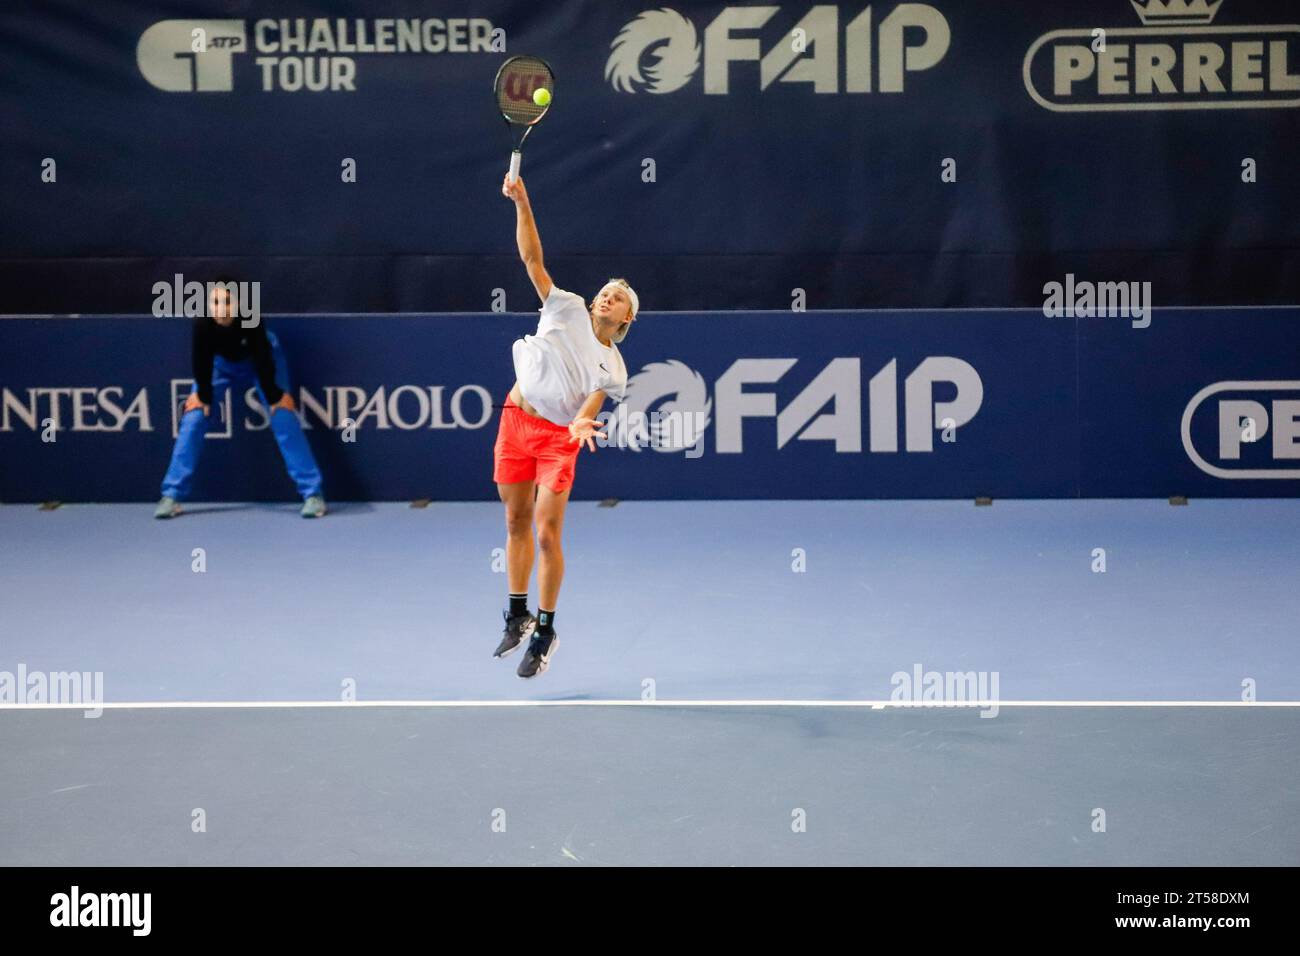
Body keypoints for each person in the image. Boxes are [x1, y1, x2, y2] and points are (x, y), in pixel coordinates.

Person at [493, 174, 638, 678]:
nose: (606, 297)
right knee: (514, 522)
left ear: (627, 319)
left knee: (547, 532)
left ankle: (548, 628)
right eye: (605, 292)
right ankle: (517, 613)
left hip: (559, 441)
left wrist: (579, 425)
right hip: (516, 419)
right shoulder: (566, 306)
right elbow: (532, 259)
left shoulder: (614, 368)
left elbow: (589, 407)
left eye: (617, 298)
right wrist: (523, 201)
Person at [154, 279, 326, 519]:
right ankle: (171, 495)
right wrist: (202, 396)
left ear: (239, 304)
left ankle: (313, 494)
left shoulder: (251, 319)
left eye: (227, 302)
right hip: (220, 365)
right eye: (215, 302)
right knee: (194, 417)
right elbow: (201, 361)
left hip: (261, 361)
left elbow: (263, 361)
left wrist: (275, 396)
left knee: (282, 415)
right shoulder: (203, 323)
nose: (221, 309)